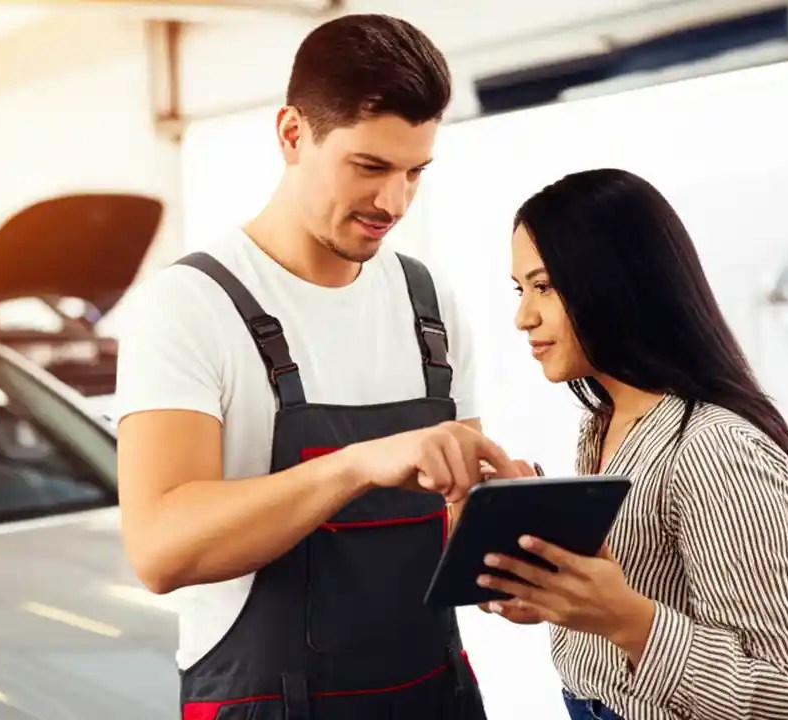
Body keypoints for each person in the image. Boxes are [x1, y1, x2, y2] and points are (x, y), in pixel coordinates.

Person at [114, 14, 517, 720]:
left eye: (413, 172)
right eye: (369, 167)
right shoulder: (188, 307)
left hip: (435, 696)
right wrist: (356, 465)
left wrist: (503, 543)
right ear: (293, 134)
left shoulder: (429, 303)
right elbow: (160, 548)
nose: (393, 203)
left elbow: (452, 517)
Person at [479, 169, 788, 720]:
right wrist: (556, 591)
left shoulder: (716, 450)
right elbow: (633, 595)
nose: (523, 316)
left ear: (614, 281)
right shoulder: (601, 424)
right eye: (520, 288)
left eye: (544, 286)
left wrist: (629, 620)